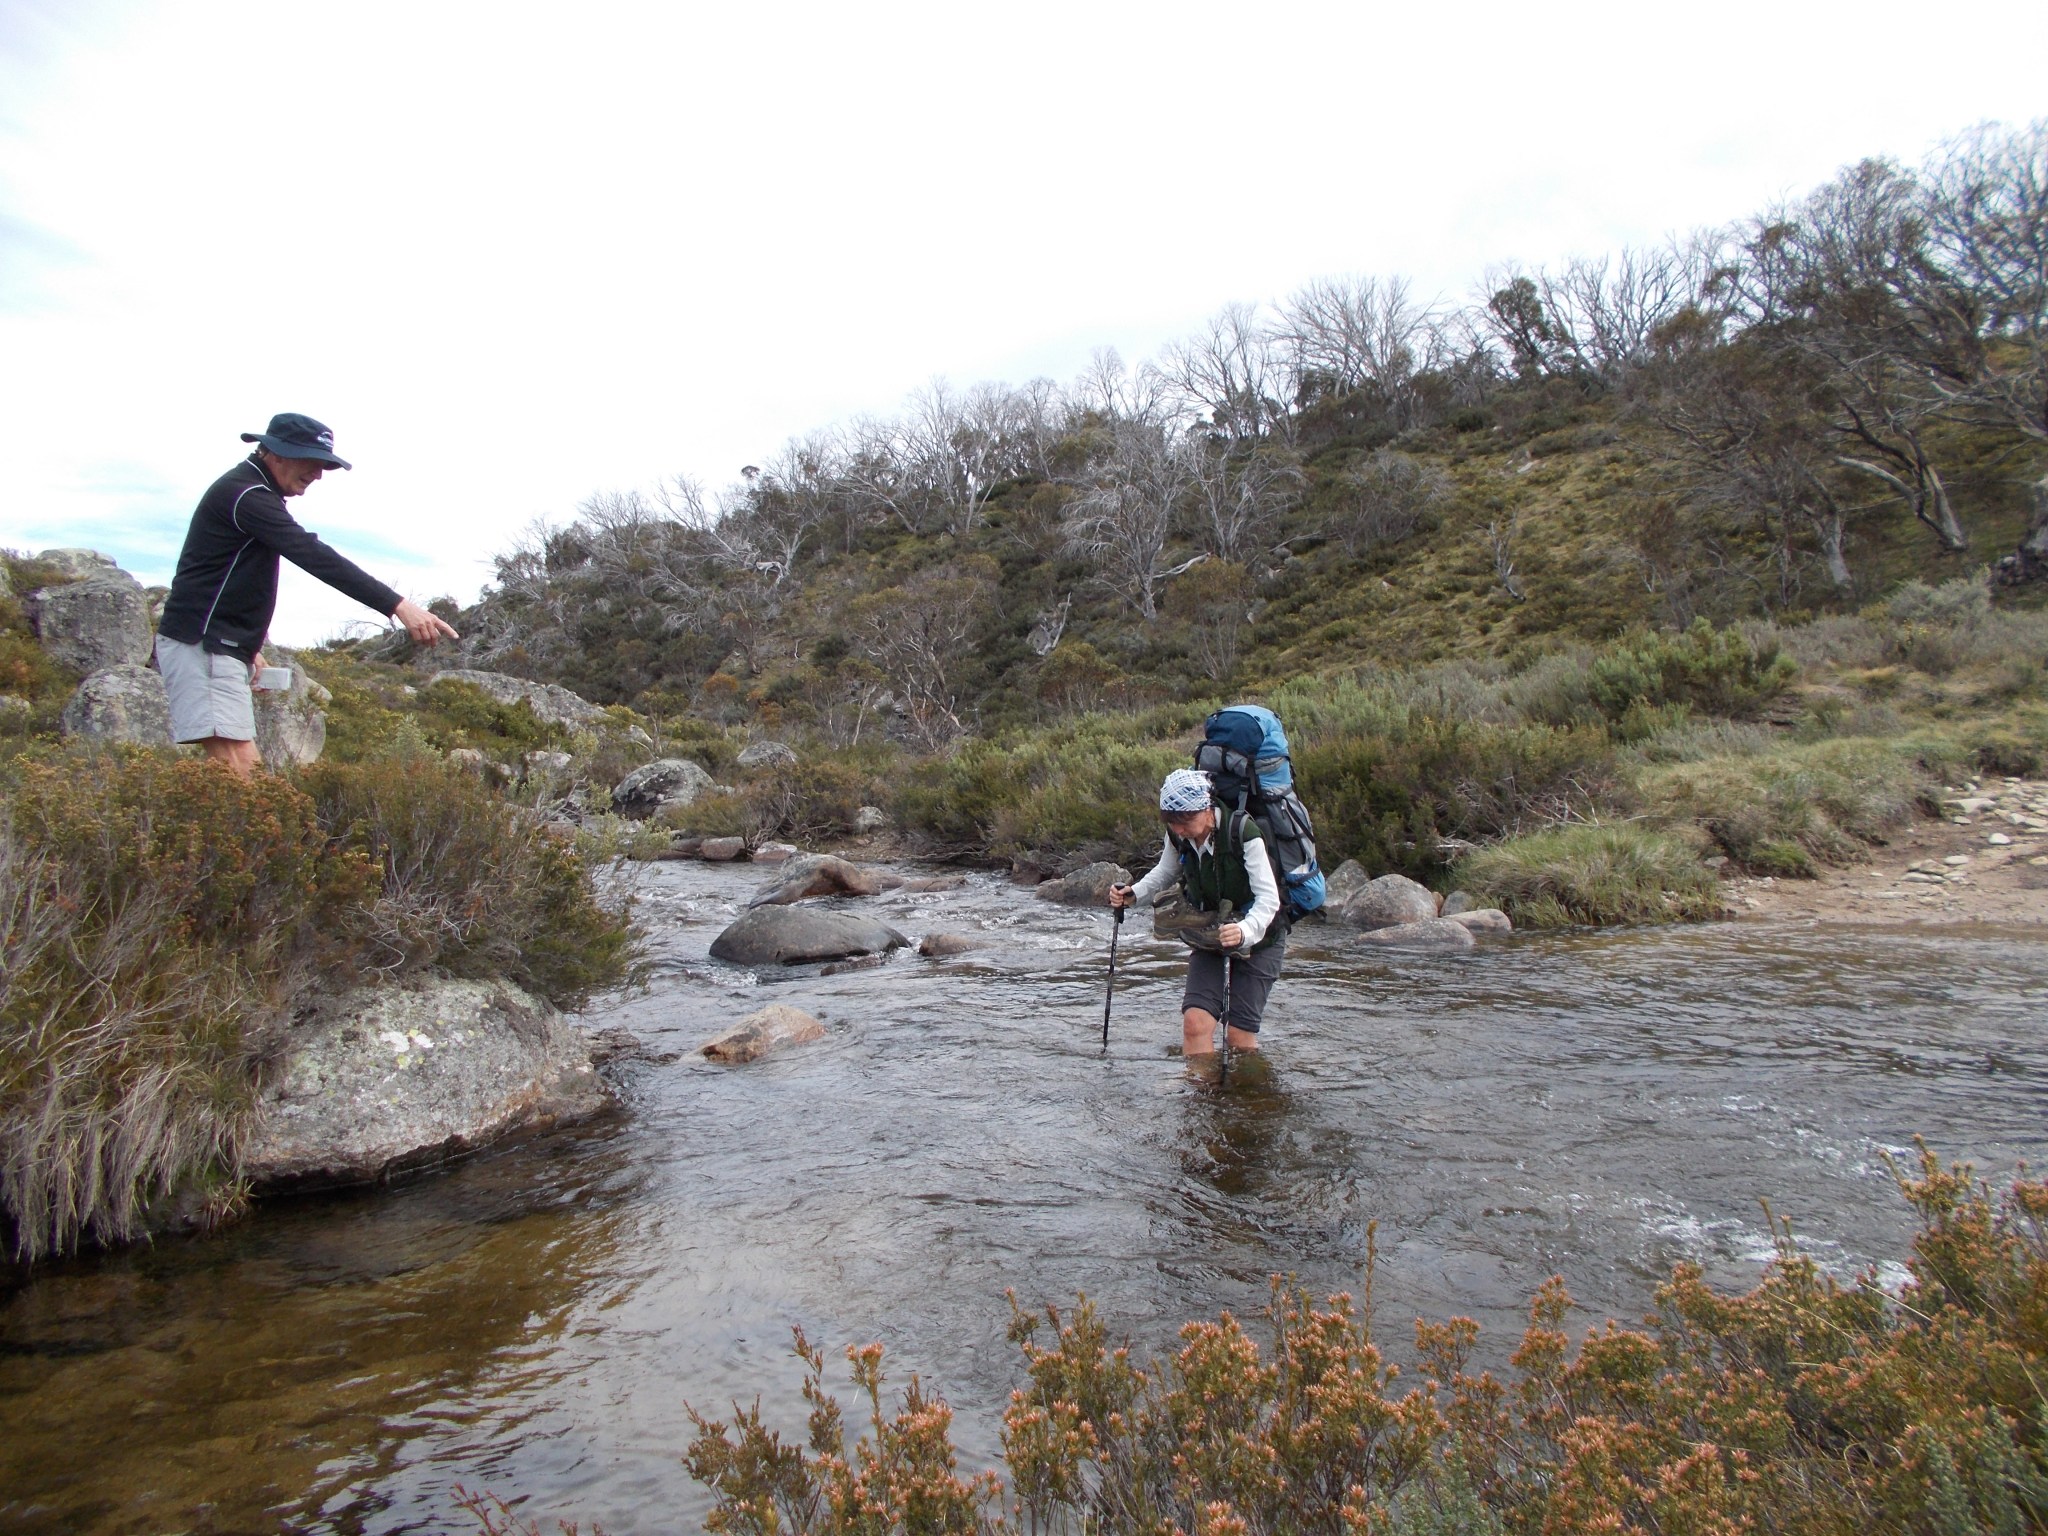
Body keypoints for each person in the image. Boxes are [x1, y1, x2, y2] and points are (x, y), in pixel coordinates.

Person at [155, 412, 460, 775]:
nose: (317, 474)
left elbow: (225, 578)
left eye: (323, 467)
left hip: (216, 644)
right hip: (202, 644)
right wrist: (397, 605)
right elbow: (312, 554)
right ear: (275, 453)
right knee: (239, 769)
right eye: (311, 462)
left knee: (235, 770)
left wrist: (246, 646)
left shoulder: (254, 492)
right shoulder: (246, 496)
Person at [1108, 766, 1288, 1058]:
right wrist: (1135, 894)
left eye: (1186, 820)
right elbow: (1167, 870)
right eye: (1173, 822)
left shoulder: (1244, 832)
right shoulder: (1179, 834)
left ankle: (1246, 1101)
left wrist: (1244, 931)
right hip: (1209, 932)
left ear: (1207, 808)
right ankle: (1198, 1097)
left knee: (1239, 1036)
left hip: (1261, 937)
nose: (1180, 830)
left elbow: (1268, 898)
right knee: (1195, 1023)